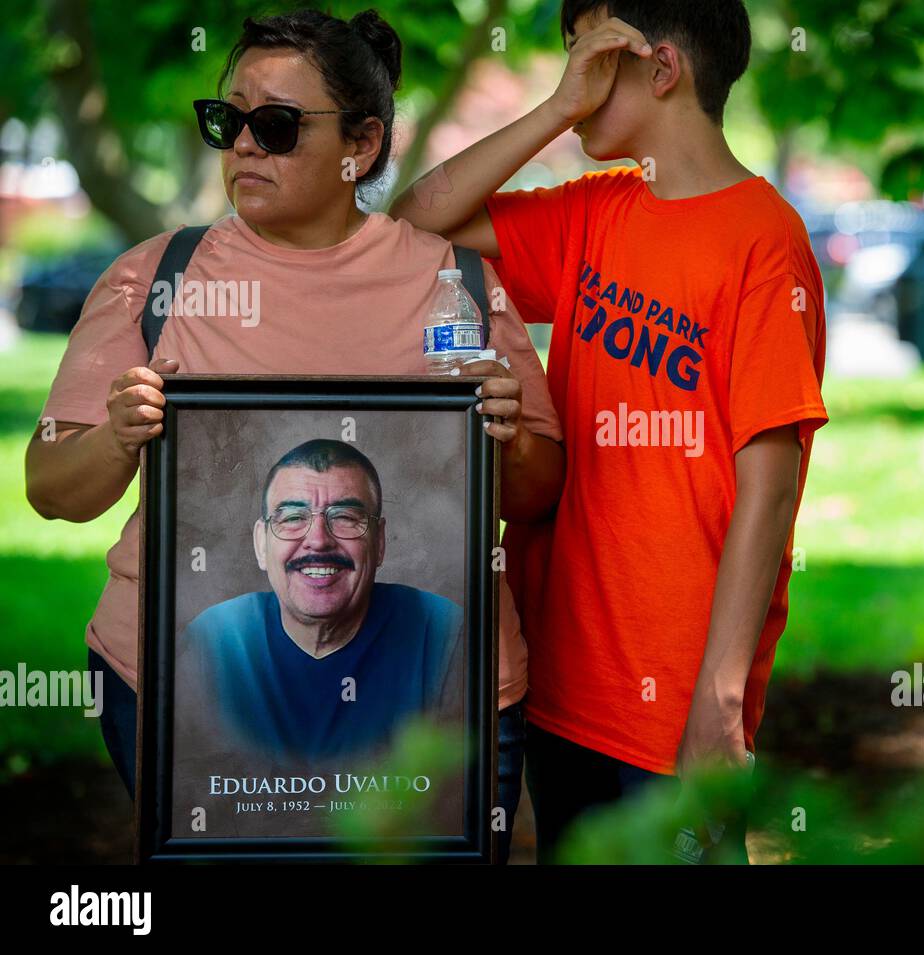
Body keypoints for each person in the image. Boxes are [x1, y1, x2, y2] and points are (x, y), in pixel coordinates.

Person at [23, 8, 562, 862]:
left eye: (273, 125)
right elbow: (51, 488)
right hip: (190, 696)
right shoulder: (156, 277)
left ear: (363, 143)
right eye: (226, 120)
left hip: (438, 703)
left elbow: (538, 494)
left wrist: (510, 438)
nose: (242, 145)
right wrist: (117, 436)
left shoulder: (455, 281)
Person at [391, 0, 828, 861]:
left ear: (661, 68)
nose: (576, 82)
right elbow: (413, 222)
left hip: (676, 704)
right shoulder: (596, 212)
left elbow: (769, 485)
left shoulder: (765, 242)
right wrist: (554, 110)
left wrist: (722, 694)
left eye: (589, 58)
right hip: (560, 681)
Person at [178, 439, 463, 761]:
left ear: (379, 542)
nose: (317, 540)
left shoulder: (441, 633)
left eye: (344, 517)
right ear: (261, 543)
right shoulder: (214, 640)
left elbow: (456, 794)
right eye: (292, 518)